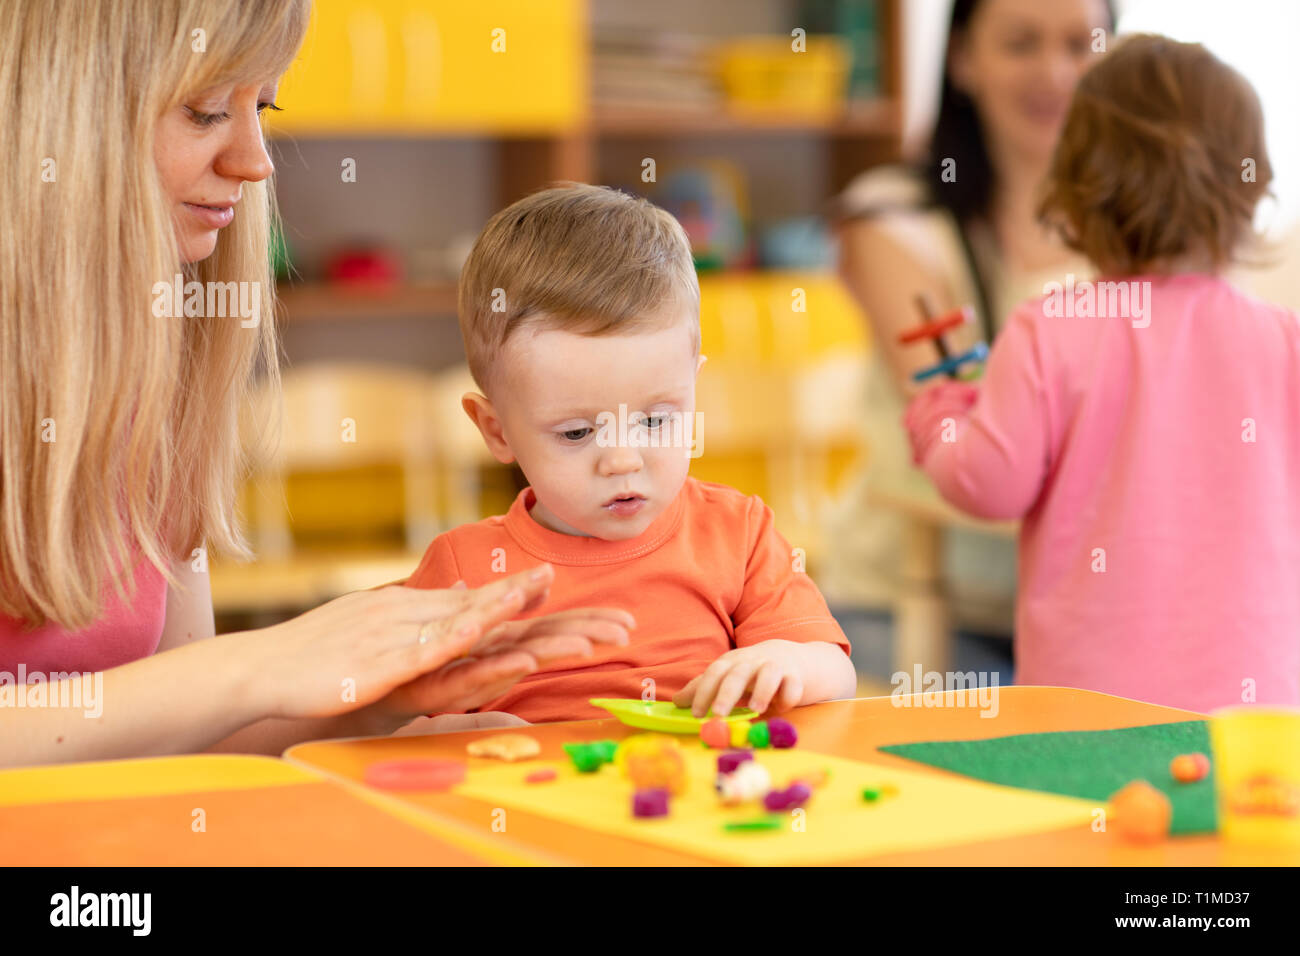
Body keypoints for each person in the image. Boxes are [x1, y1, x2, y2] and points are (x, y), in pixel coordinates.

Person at [0, 0, 628, 768]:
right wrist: (262, 663)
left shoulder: (150, 376)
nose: (255, 160)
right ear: (60, 115)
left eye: (262, 107)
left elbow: (177, 737)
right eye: (203, 112)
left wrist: (374, 705)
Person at [902, 34, 1297, 714]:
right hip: (1261, 713)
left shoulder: (1049, 327)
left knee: (1086, 825)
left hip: (1087, 710)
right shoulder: (1283, 339)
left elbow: (988, 484)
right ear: (1251, 181)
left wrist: (939, 416)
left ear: (1077, 187)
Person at [404, 184, 858, 722]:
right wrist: (451, 730)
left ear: (694, 390)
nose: (623, 459)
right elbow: (389, 718)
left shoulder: (738, 534)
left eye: (656, 421)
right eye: (576, 433)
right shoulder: (463, 569)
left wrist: (787, 662)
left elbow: (834, 671)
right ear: (496, 430)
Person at [826, 0, 1114, 632]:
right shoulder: (891, 215)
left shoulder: (1144, 231)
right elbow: (961, 427)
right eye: (1020, 45)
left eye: (1080, 45)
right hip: (906, 602)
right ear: (962, 58)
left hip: (1078, 611)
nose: (1057, 74)